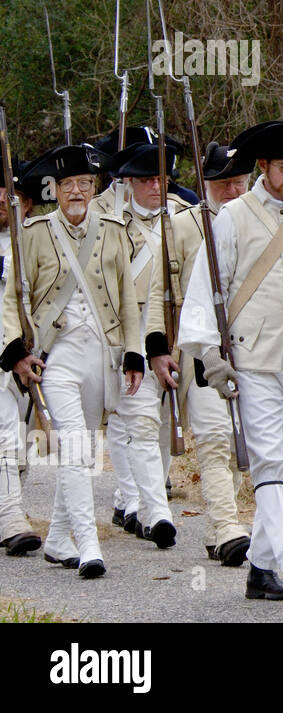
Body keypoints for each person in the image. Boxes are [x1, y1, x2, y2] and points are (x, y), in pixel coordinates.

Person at [178, 121, 283, 605]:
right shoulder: (232, 217)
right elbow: (206, 287)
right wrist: (208, 353)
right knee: (269, 458)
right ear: (263, 167)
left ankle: (260, 570)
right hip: (252, 355)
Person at [1, 143, 145, 578]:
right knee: (76, 447)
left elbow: (128, 302)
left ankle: (59, 539)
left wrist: (134, 352)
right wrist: (15, 353)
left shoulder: (116, 230)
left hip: (103, 356)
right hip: (55, 358)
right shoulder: (36, 232)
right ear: (55, 190)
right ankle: (89, 544)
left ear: (94, 187)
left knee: (80, 450)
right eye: (67, 185)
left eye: (84, 183)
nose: (77, 191)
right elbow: (11, 300)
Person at [146, 141, 254, 567]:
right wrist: (158, 348)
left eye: (238, 183)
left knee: (237, 448)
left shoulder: (258, 223)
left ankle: (215, 529)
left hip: (251, 349)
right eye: (223, 184)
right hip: (200, 350)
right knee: (213, 439)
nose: (231, 192)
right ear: (207, 185)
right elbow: (160, 292)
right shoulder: (182, 226)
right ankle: (228, 527)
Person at [90, 140, 185, 548]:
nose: (157, 188)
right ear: (127, 182)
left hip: (173, 329)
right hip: (129, 329)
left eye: (163, 179)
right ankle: (153, 510)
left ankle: (133, 499)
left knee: (161, 425)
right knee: (138, 421)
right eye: (147, 180)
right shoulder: (106, 219)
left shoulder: (183, 217)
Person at [0, 161, 41, 556]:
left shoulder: (38, 243)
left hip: (30, 361)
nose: (2, 200)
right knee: (4, 437)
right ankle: (11, 518)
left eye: (11, 195)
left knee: (20, 449)